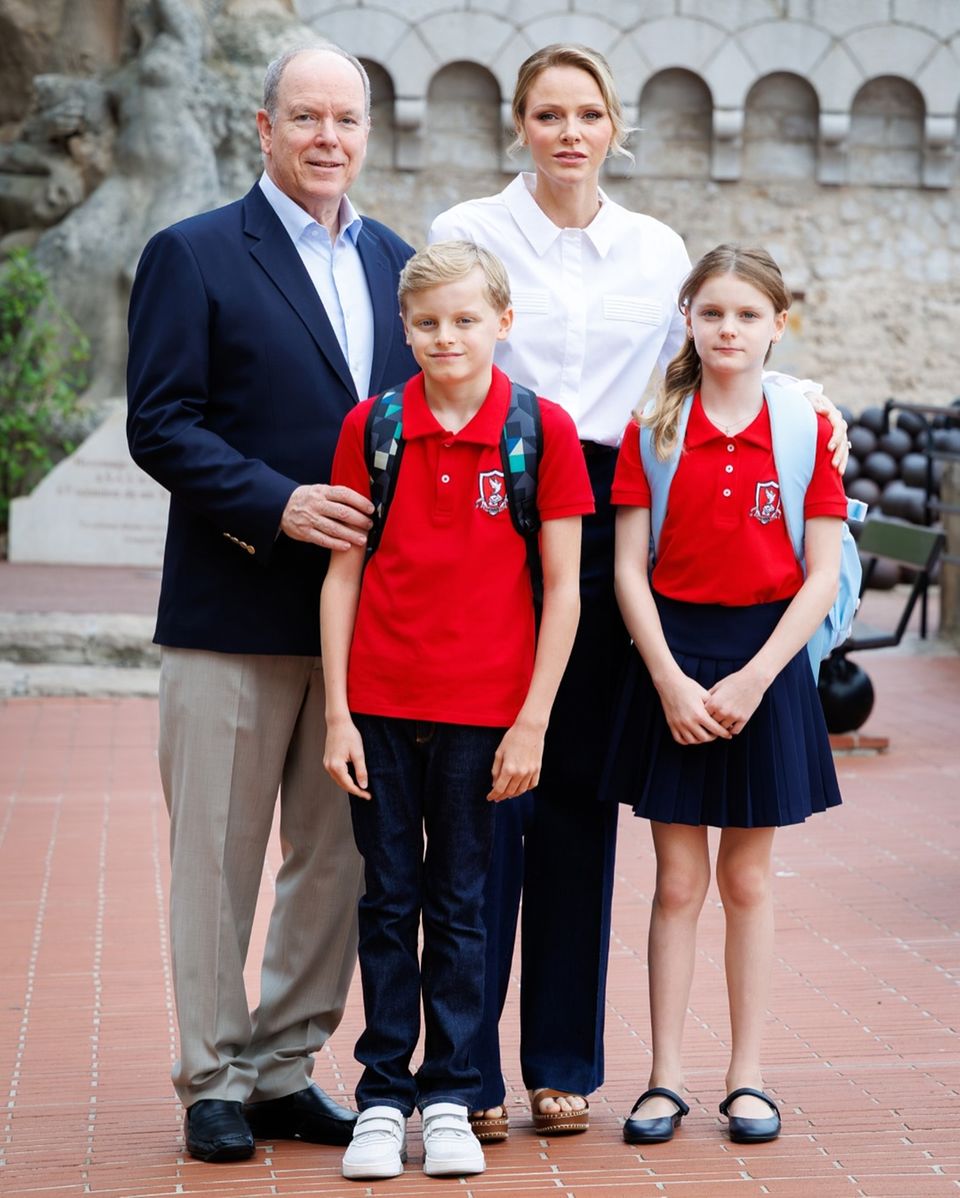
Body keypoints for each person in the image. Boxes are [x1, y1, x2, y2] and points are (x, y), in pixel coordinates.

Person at [428, 42, 849, 1139]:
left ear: (617, 126)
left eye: (589, 113)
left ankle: (562, 1064)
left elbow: (709, 354)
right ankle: (464, 1074)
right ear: (518, 124)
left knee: (572, 800)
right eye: (549, 113)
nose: (570, 131)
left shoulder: (654, 247)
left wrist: (812, 404)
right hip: (497, 520)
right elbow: (434, 354)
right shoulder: (469, 232)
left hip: (612, 525)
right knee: (477, 799)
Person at [126, 44, 415, 1163]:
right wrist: (277, 504)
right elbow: (163, 421)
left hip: (363, 627)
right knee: (217, 853)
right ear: (265, 126)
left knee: (337, 853)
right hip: (231, 609)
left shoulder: (398, 263)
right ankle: (212, 1074)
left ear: (366, 130)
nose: (328, 138)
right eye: (307, 117)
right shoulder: (193, 254)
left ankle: (289, 1064)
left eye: (346, 118)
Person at [319, 240, 593, 1180]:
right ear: (405, 329)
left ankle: (454, 1090)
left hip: (488, 717)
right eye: (428, 323)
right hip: (383, 707)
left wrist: (534, 722)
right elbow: (342, 575)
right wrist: (337, 716)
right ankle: (383, 1096)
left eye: (466, 319)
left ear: (502, 323)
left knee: (466, 905)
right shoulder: (373, 426)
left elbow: (564, 589)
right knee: (388, 900)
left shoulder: (539, 431)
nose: (447, 336)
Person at [606, 244, 846, 1146]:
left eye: (748, 315)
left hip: (766, 659)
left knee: (747, 879)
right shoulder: (655, 428)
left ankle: (747, 1079)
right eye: (712, 314)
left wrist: (757, 677)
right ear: (690, 322)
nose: (728, 329)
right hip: (675, 652)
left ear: (778, 326)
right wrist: (668, 677)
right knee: (676, 882)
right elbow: (632, 568)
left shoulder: (806, 430)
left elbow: (820, 575)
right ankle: (665, 1078)